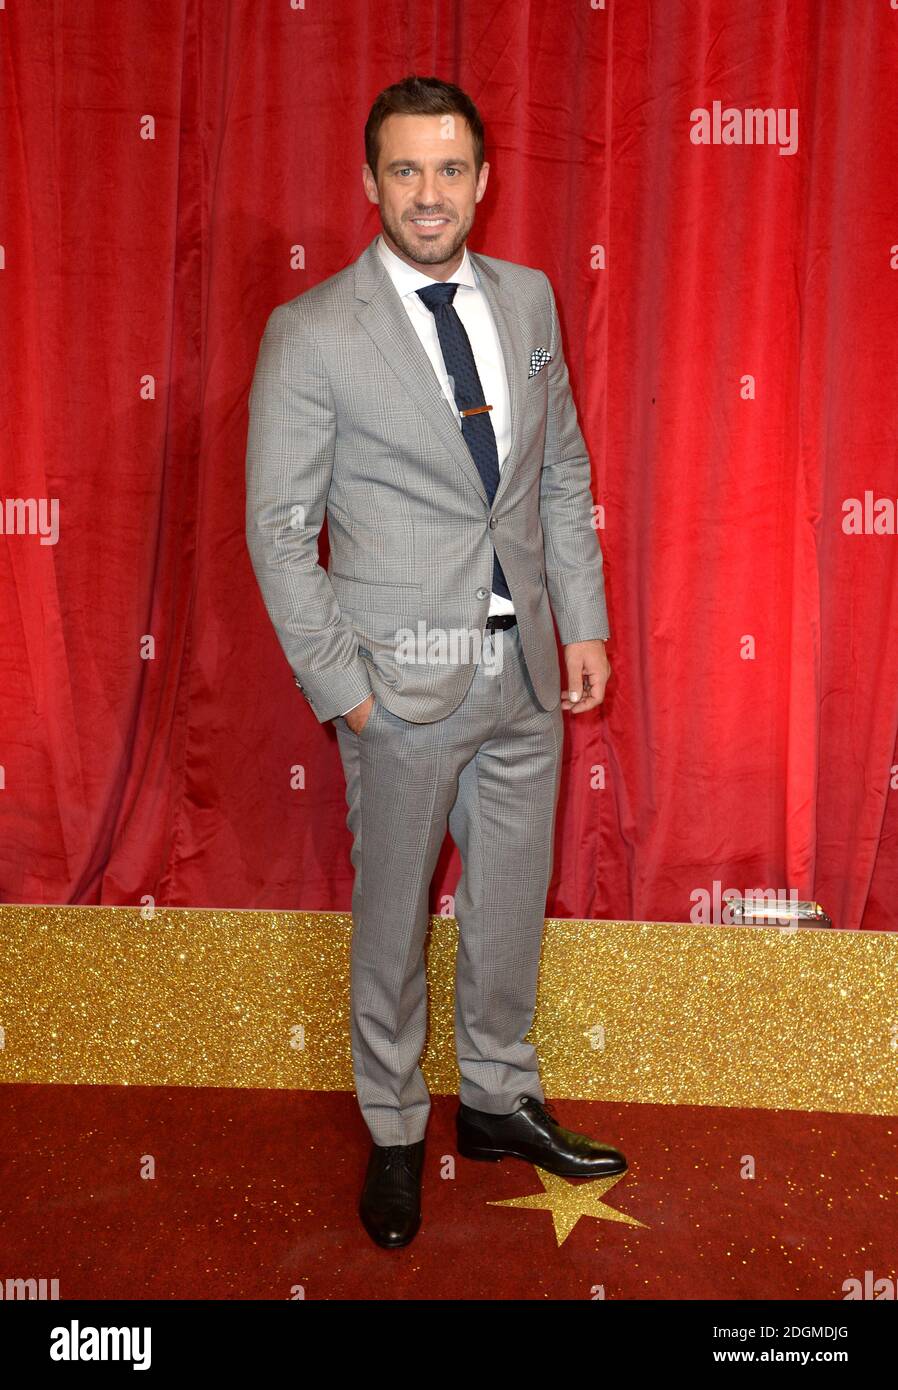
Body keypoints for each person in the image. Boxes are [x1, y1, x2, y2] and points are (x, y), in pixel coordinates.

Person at [245, 74, 627, 1250]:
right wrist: (344, 691)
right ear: (369, 183)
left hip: (521, 680)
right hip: (396, 685)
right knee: (393, 918)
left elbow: (557, 470)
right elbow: (275, 528)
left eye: (450, 169)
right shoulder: (312, 332)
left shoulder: (528, 301)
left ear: (483, 180)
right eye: (404, 170)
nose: (428, 193)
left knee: (508, 902)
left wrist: (584, 618)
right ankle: (397, 1124)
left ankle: (500, 1098)